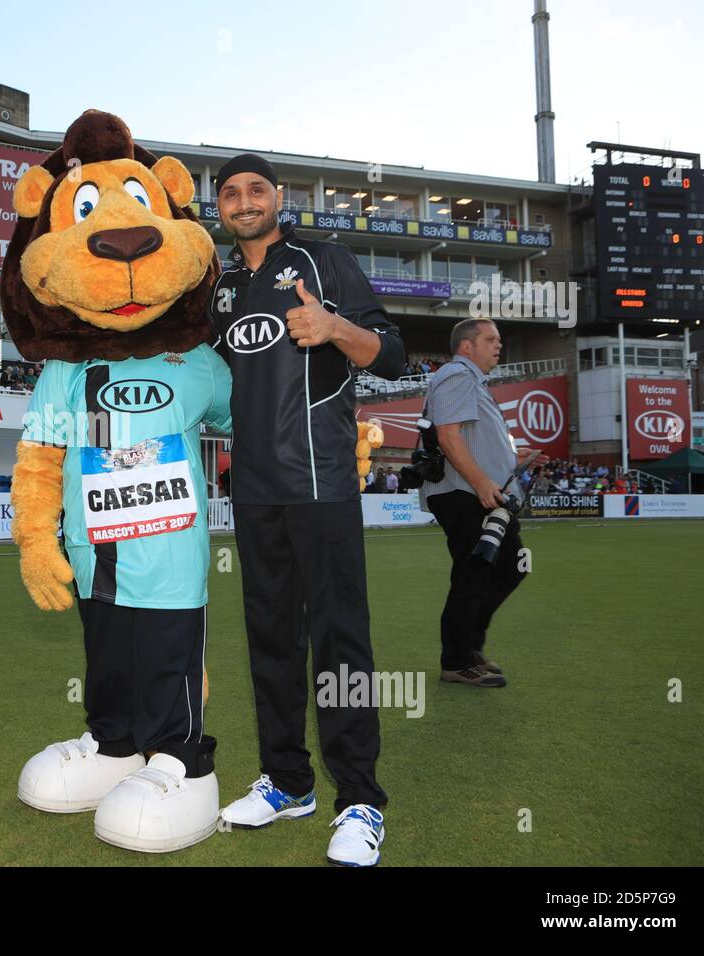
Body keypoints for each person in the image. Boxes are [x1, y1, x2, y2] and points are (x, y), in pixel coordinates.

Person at [207, 153, 402, 866]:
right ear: (220, 208)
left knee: (339, 640)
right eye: (230, 193)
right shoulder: (222, 287)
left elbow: (394, 355)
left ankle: (359, 800)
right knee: (271, 640)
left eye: (256, 189)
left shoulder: (326, 261)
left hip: (322, 484)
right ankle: (288, 781)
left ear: (278, 197)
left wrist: (336, 330)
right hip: (252, 489)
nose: (244, 201)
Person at [419, 318, 532, 689]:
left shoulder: (472, 380)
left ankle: (468, 647)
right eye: (490, 339)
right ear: (467, 346)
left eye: (499, 340)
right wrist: (482, 482)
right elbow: (449, 437)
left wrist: (519, 458)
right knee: (474, 574)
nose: (498, 345)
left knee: (511, 566)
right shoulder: (457, 374)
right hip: (467, 493)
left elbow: (473, 439)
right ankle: (457, 660)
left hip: (485, 494)